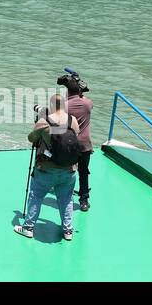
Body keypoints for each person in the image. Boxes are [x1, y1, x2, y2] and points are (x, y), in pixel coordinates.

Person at [15, 95, 82, 241]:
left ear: (51, 106)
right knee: (66, 199)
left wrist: (38, 124)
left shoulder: (44, 122)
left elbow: (31, 138)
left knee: (36, 196)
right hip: (69, 169)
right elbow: (73, 139)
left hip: (46, 169)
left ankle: (28, 228)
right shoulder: (73, 120)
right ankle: (68, 231)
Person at [63, 76, 94, 211]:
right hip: (84, 145)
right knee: (83, 172)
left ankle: (64, 195)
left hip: (69, 145)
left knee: (65, 170)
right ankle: (84, 200)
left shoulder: (64, 106)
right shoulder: (87, 104)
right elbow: (85, 99)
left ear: (67, 92)